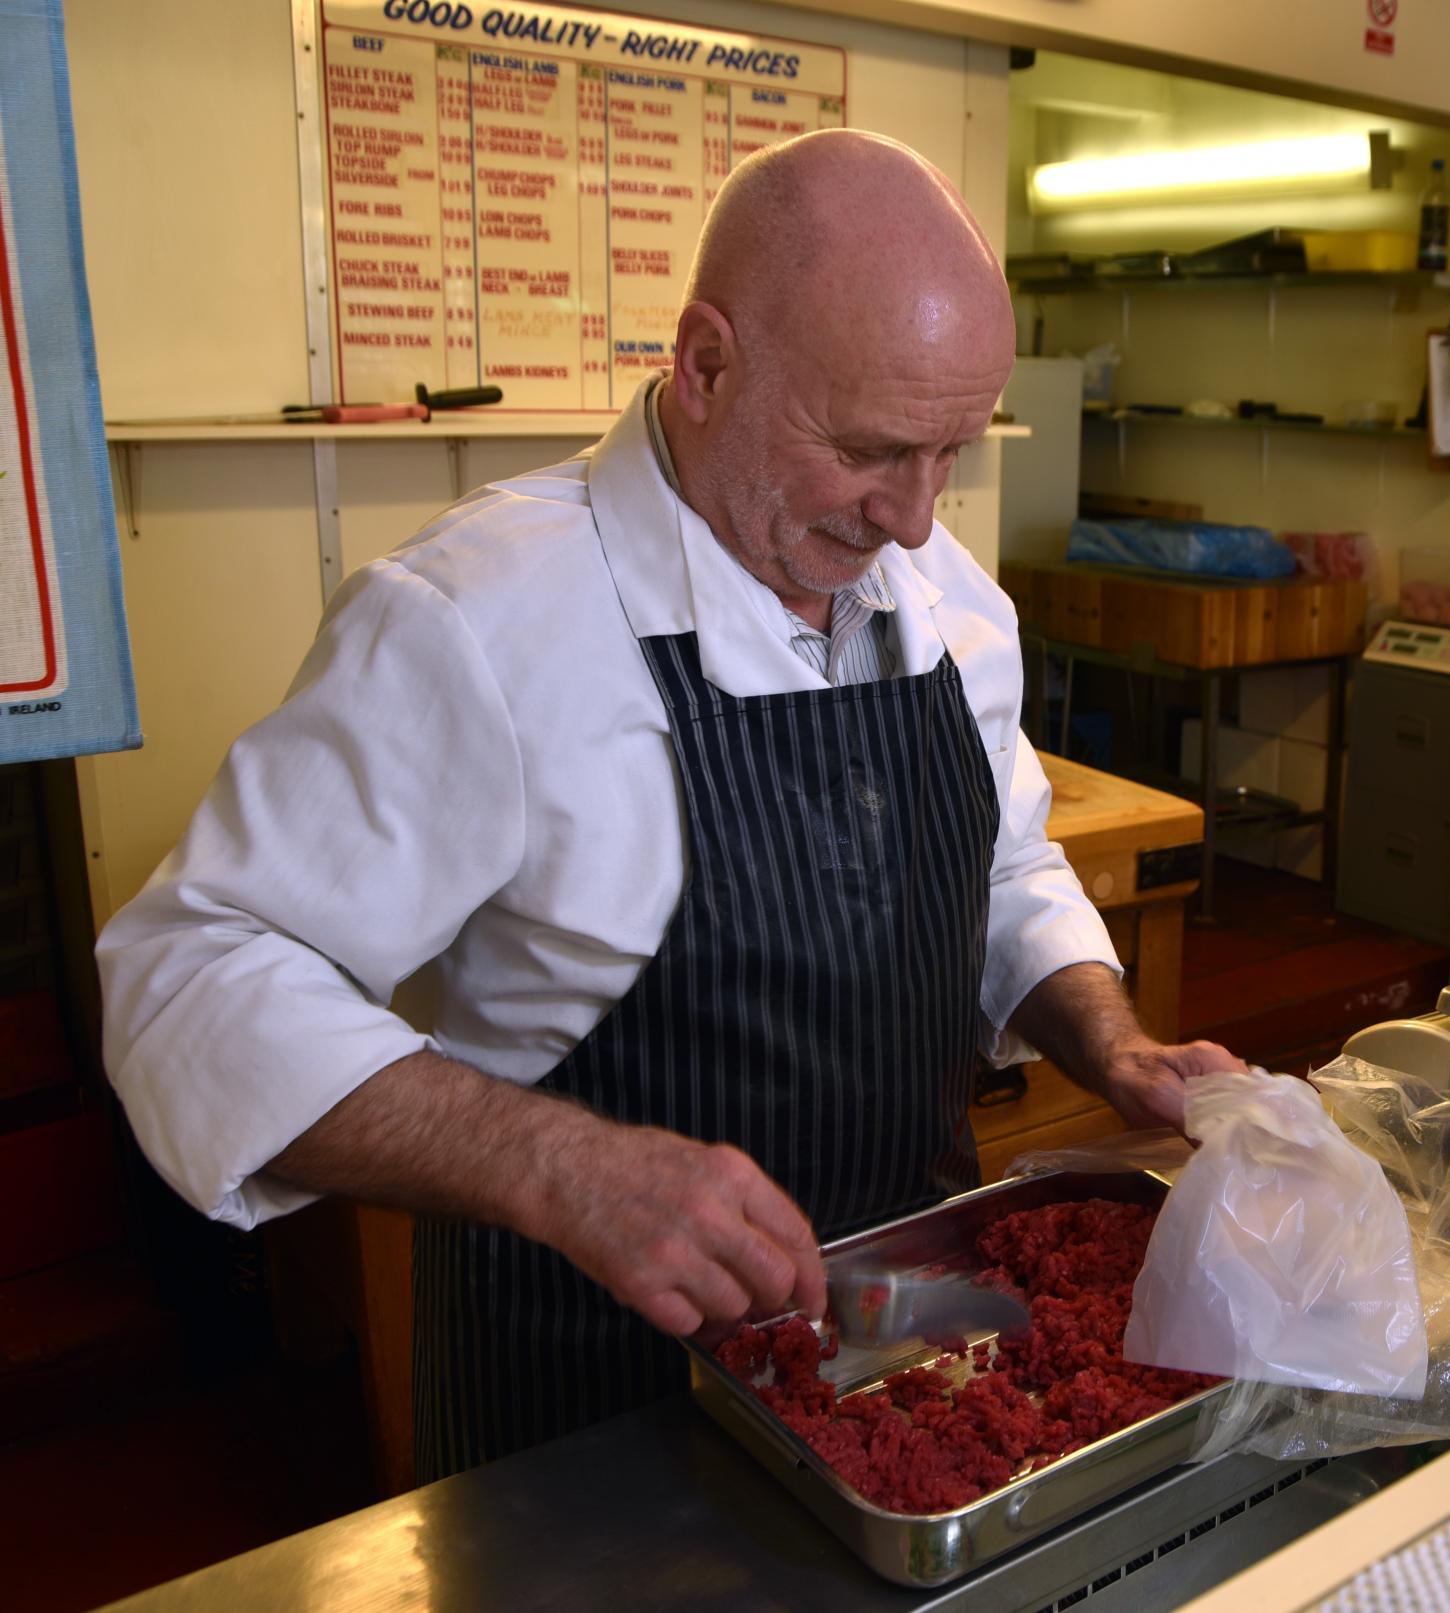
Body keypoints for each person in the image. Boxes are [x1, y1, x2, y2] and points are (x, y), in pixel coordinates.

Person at [96, 130, 1242, 1478]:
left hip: (914, 1340)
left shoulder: (945, 601)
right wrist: (561, 1167)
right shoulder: (476, 621)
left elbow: (1000, 870)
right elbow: (189, 976)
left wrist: (1107, 1039)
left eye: (951, 451)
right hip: (591, 1407)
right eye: (872, 449)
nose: (919, 519)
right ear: (705, 363)